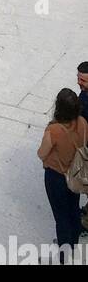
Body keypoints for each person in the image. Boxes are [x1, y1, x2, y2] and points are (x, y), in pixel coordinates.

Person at [37, 88, 88, 258]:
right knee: (73, 210)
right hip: (76, 174)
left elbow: (42, 153)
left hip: (56, 177)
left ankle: (63, 256)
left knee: (61, 216)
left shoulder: (54, 130)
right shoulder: (83, 123)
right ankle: (72, 245)